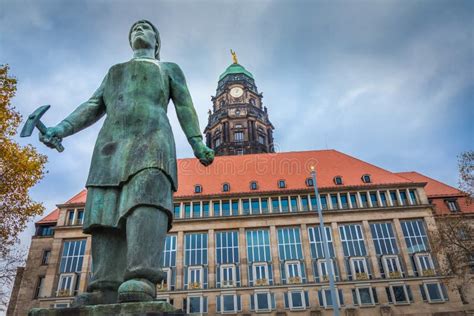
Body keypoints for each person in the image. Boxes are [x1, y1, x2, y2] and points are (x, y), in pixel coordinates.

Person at [40, 19, 214, 305]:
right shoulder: (114, 72)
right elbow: (92, 106)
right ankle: (104, 285)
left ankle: (141, 277)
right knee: (103, 212)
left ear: (157, 42)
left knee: (147, 201)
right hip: (110, 147)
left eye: (146, 28)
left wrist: (196, 142)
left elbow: (184, 105)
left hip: (153, 142)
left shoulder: (168, 69)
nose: (139, 31)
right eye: (134, 28)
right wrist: (61, 128)